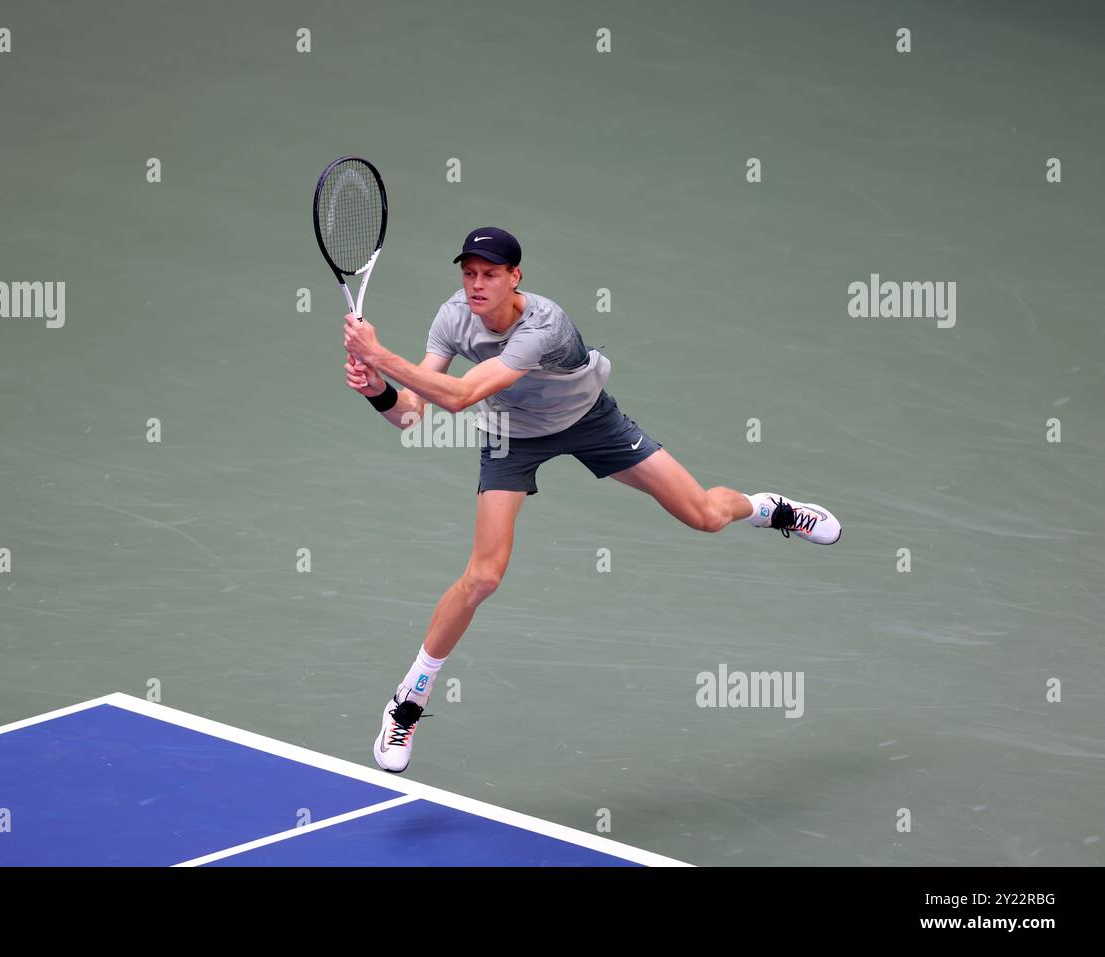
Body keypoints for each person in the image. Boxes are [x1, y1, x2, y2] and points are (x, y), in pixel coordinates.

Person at [342, 227, 841, 774]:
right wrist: (376, 390)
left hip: (589, 422)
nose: (477, 284)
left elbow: (459, 398)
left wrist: (379, 354)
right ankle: (409, 699)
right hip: (513, 437)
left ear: (515, 278)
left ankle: (769, 509)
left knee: (704, 515)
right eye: (469, 273)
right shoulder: (452, 316)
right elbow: (412, 414)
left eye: (490, 274)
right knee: (483, 576)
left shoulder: (544, 325)